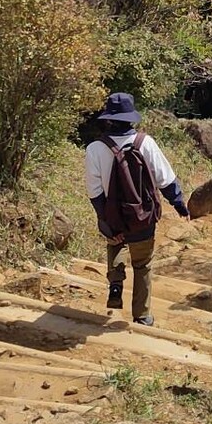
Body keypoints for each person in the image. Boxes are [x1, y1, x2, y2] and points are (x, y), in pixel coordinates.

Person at [83, 91, 190, 324]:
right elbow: (166, 180)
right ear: (131, 118)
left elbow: (95, 192)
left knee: (116, 243)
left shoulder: (95, 149)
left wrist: (104, 220)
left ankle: (116, 283)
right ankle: (142, 316)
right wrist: (179, 203)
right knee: (143, 265)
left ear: (108, 118)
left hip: (114, 216)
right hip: (143, 216)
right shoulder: (145, 143)